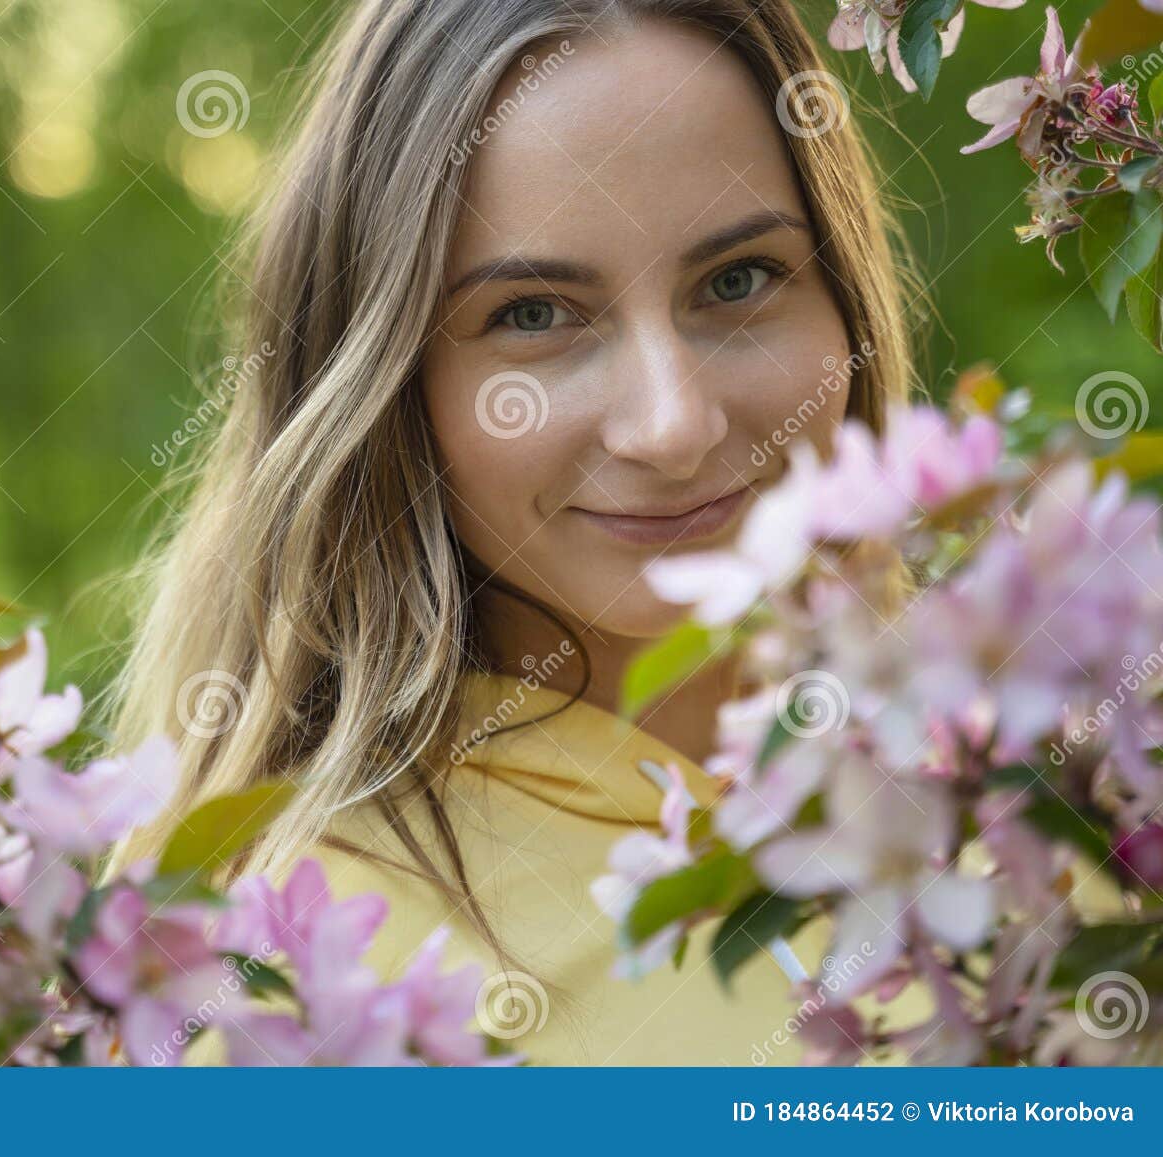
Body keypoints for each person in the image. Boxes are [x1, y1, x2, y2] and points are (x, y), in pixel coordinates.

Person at [104, 0, 914, 1064]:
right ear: (388, 391)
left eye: (737, 280)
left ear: (845, 304)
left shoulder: (1064, 786)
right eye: (532, 314)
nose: (671, 426)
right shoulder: (280, 993)